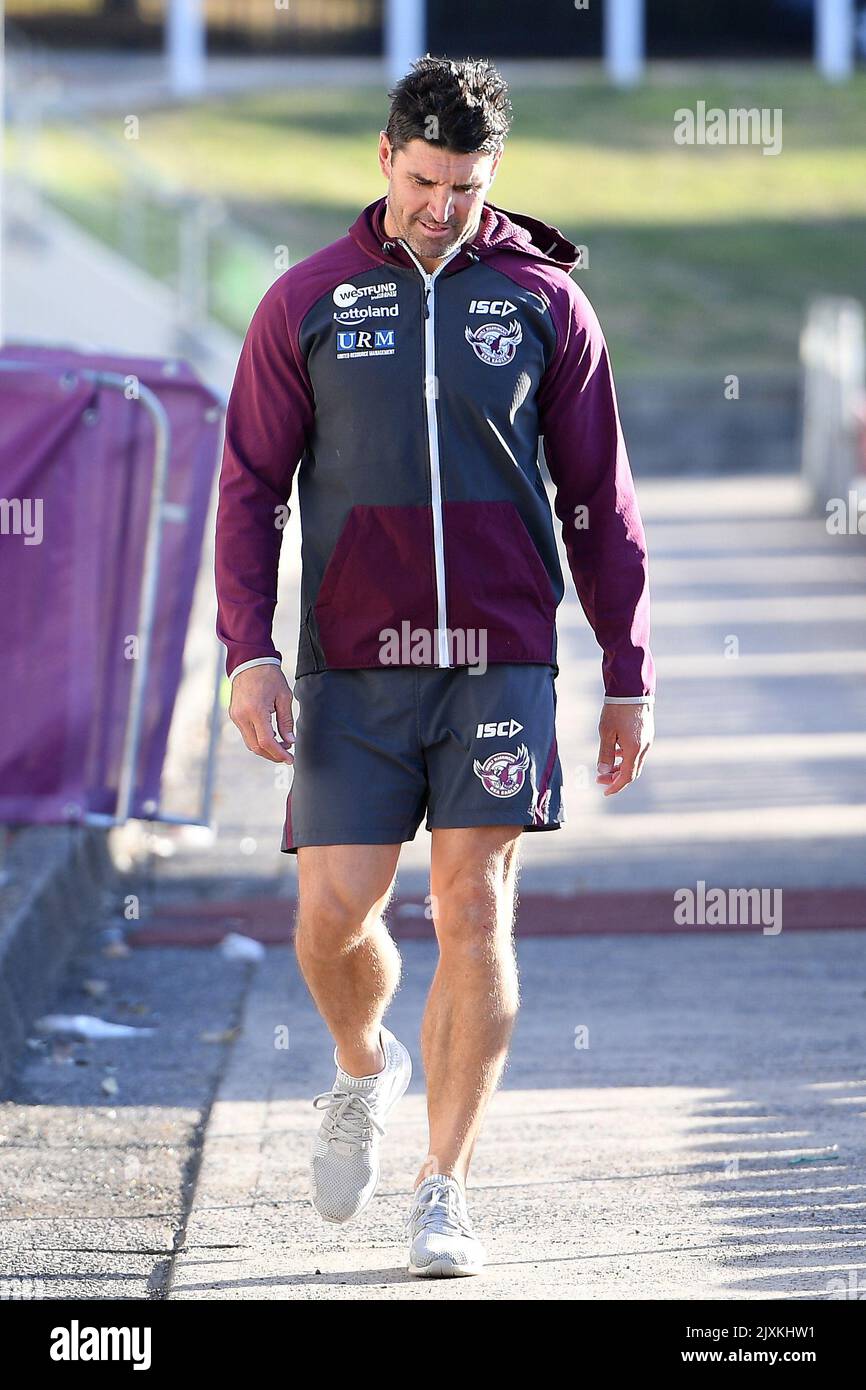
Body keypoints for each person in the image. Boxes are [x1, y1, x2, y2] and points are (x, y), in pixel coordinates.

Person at [214, 55, 655, 1278]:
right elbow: (248, 487)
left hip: (500, 658)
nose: (439, 207)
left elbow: (598, 498)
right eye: (421, 180)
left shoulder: (543, 302)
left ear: (491, 174)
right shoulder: (304, 299)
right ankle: (364, 1066)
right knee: (332, 914)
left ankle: (443, 1187)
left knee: (474, 907)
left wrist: (626, 667)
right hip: (353, 666)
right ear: (382, 157)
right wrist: (247, 649)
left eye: (463, 186)